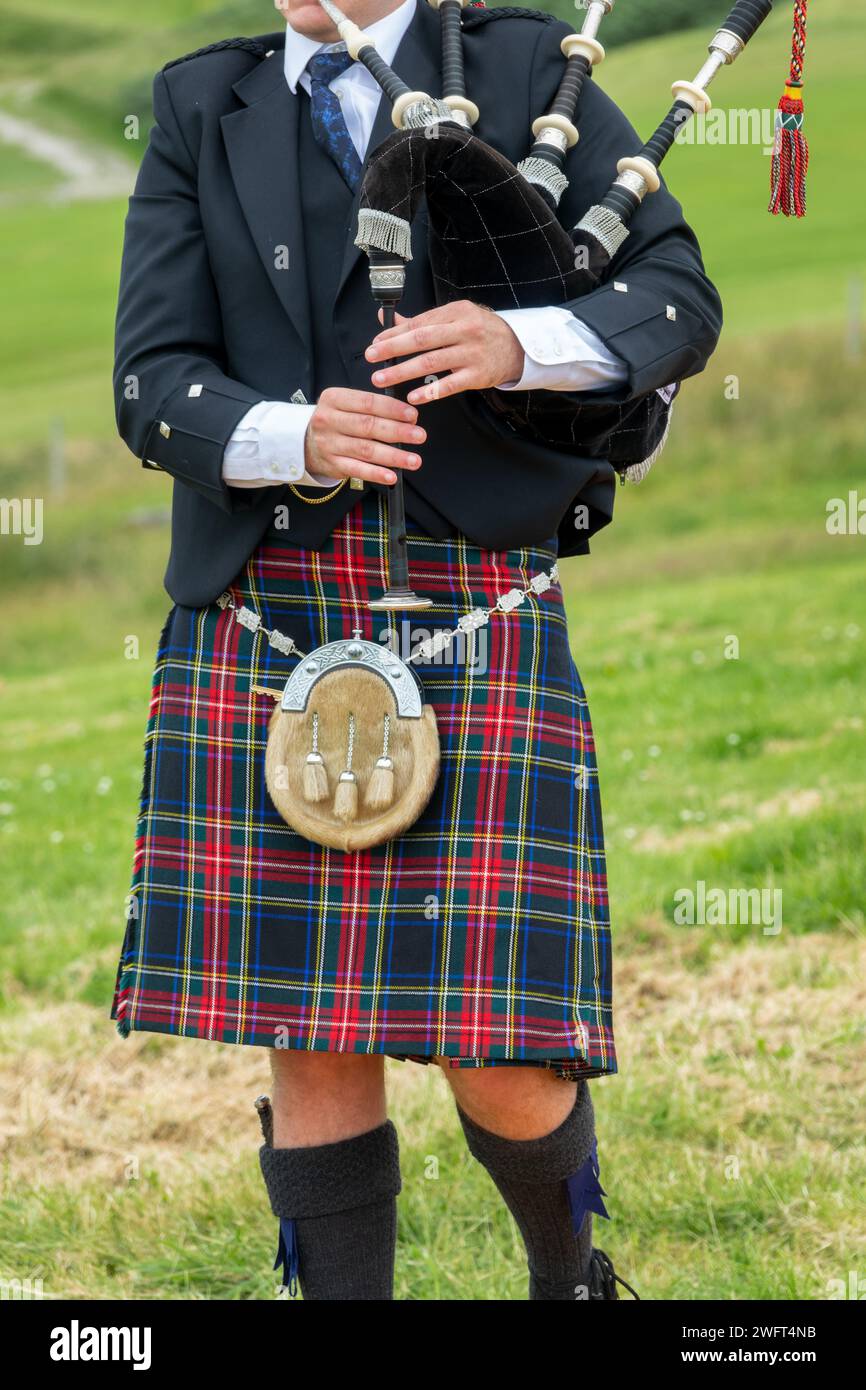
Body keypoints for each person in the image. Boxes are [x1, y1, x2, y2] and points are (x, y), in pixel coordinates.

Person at [111, 0, 721, 1300]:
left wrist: (526, 342)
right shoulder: (198, 103)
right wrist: (287, 433)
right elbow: (150, 379)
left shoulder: (518, 64)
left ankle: (570, 1276)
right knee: (310, 1034)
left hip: (471, 592)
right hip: (261, 603)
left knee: (499, 1048)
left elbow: (674, 295)